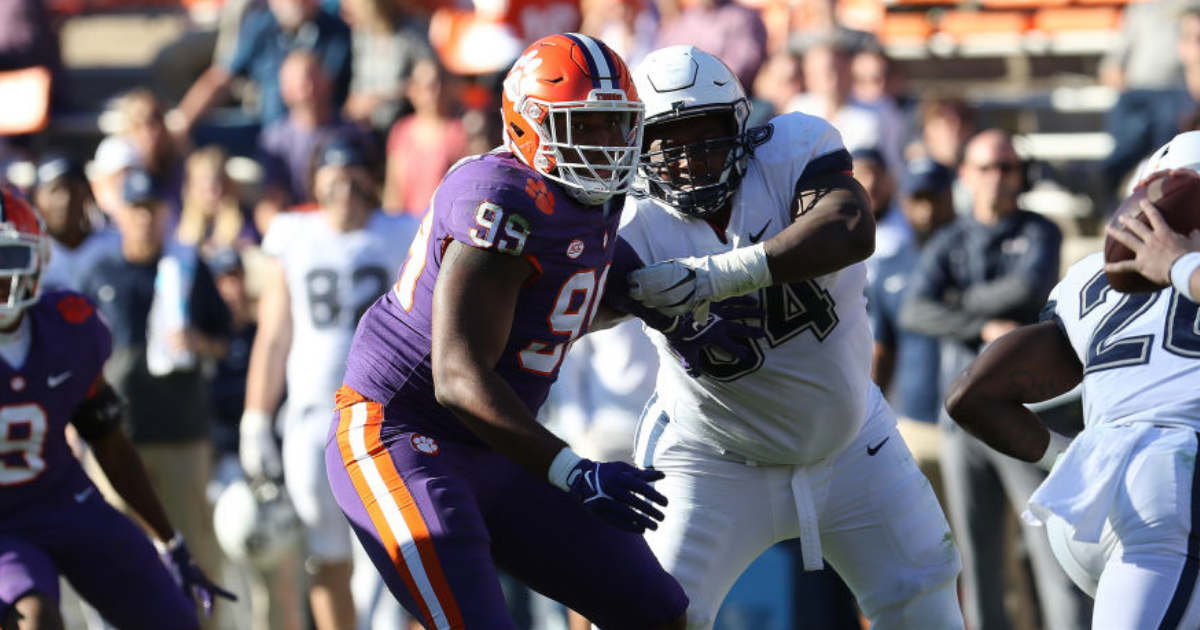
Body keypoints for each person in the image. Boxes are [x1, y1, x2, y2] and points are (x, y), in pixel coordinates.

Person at [324, 32, 690, 629]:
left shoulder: (591, 198)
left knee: (658, 611)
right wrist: (577, 470)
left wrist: (684, 307)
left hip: (496, 445)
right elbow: (458, 377)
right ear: (528, 126)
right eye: (585, 127)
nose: (606, 145)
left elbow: (580, 298)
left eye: (616, 125)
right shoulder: (502, 198)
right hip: (403, 437)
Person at [619, 45, 964, 630]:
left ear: (742, 125)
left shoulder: (793, 150)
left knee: (924, 600)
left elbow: (848, 228)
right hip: (709, 458)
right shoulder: (630, 220)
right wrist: (625, 294)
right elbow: (572, 307)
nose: (688, 160)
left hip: (852, 442)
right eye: (667, 142)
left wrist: (715, 277)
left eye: (704, 134)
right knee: (646, 612)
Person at [943, 135, 1200, 628]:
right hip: (1171, 490)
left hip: (1094, 500)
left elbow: (971, 395)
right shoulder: (1176, 266)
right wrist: (1178, 267)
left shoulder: (1089, 276)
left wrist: (1068, 461)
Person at [0, 189, 233, 629]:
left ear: (36, 258)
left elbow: (106, 435)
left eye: (8, 255)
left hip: (63, 497)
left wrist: (170, 539)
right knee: (36, 619)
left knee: (171, 616)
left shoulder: (67, 327)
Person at [899, 129, 1091, 630]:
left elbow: (1027, 289)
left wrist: (955, 302)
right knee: (975, 559)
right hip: (961, 419)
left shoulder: (1039, 230)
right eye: (986, 167)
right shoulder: (950, 238)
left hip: (1024, 413)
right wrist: (979, 323)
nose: (997, 178)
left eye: (1007, 167)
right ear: (966, 174)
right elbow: (915, 310)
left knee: (1054, 550)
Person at [238, 137, 420, 630]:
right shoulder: (294, 233)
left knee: (395, 551)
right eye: (333, 175)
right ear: (315, 181)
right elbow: (274, 335)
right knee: (327, 552)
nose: (343, 187)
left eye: (354, 174)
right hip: (313, 415)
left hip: (389, 416)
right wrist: (256, 417)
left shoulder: (406, 231)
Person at [77, 171, 233, 629]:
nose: (145, 218)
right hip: (112, 438)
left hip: (181, 435)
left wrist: (197, 341)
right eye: (136, 208)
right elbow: (78, 354)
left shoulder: (189, 267)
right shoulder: (99, 273)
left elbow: (226, 338)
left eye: (153, 208)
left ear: (166, 213)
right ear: (120, 214)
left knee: (192, 553)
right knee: (111, 557)